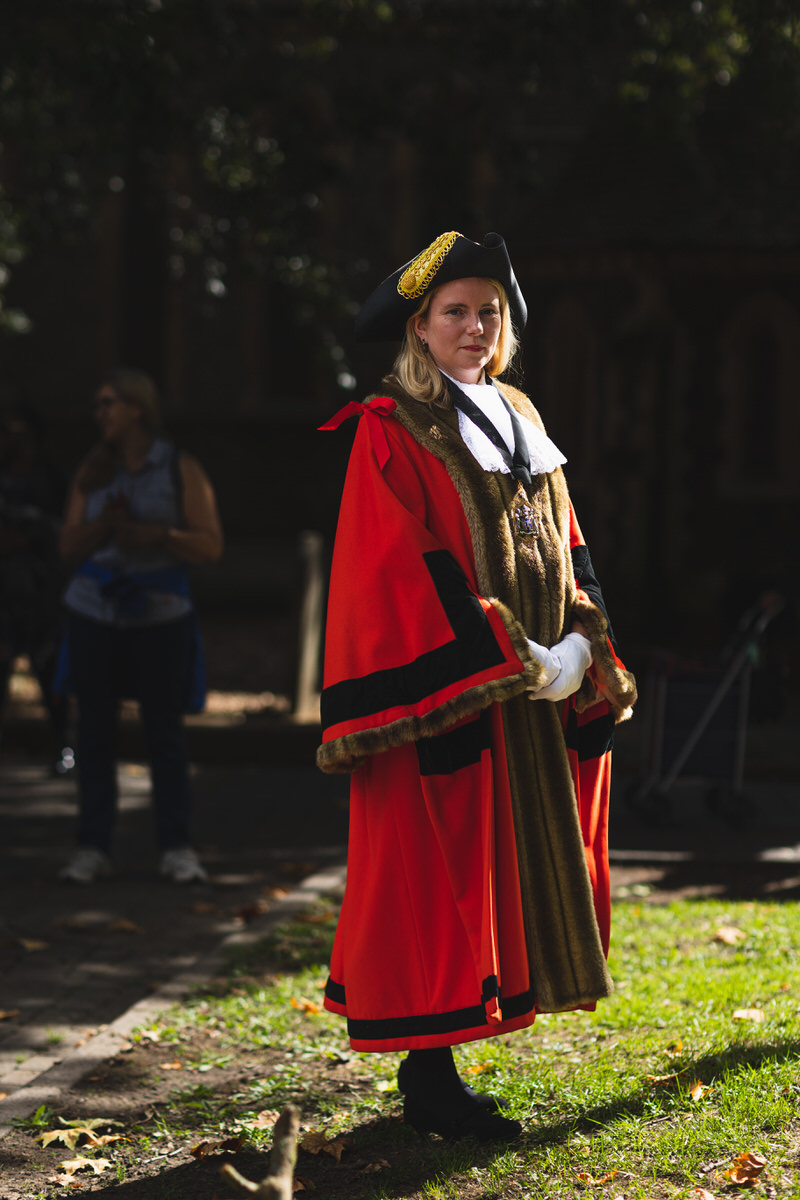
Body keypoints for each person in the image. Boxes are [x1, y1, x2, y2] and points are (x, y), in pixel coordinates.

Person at [316, 232, 637, 1141]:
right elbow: (401, 565)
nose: (473, 326)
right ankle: (429, 1079)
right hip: (459, 691)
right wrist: (507, 654)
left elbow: (568, 540)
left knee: (508, 869)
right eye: (454, 311)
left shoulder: (522, 417)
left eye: (488, 312)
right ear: (418, 329)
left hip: (530, 691)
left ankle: (455, 1058)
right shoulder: (389, 427)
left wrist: (581, 641)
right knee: (442, 874)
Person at [56, 367, 223, 885]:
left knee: (164, 733)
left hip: (159, 615)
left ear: (138, 409)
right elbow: (67, 546)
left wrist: (157, 535)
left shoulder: (179, 467)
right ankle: (91, 846)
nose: (100, 414)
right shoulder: (93, 470)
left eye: (109, 403)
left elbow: (210, 544)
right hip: (93, 612)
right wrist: (104, 526)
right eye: (97, 405)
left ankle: (176, 847)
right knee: (94, 732)